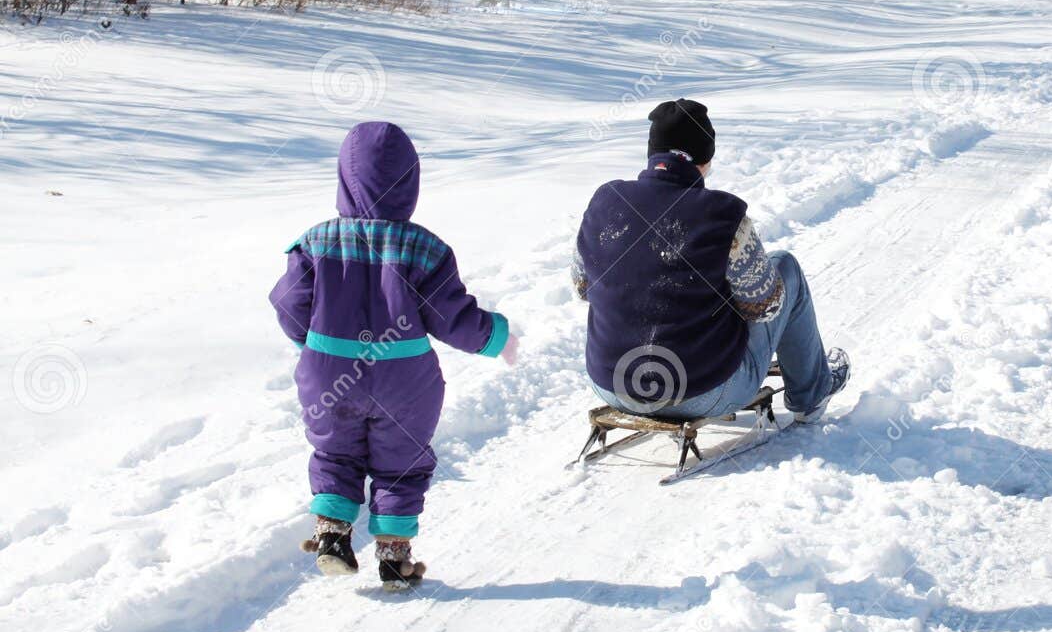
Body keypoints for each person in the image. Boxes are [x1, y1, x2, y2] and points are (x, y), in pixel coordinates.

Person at [270, 121, 517, 590]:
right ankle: (394, 559)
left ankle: (332, 535)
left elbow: (287, 304)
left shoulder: (316, 242)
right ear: (411, 182)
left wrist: (319, 342)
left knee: (335, 452)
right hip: (405, 382)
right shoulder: (426, 248)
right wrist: (496, 337)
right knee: (401, 463)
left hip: (330, 373)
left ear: (344, 178)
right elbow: (451, 317)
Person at [573, 98, 849, 426]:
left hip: (610, 387)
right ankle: (811, 394)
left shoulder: (606, 202)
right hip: (704, 392)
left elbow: (583, 287)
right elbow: (766, 307)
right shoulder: (722, 215)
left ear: (652, 154)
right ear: (705, 159)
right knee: (784, 265)